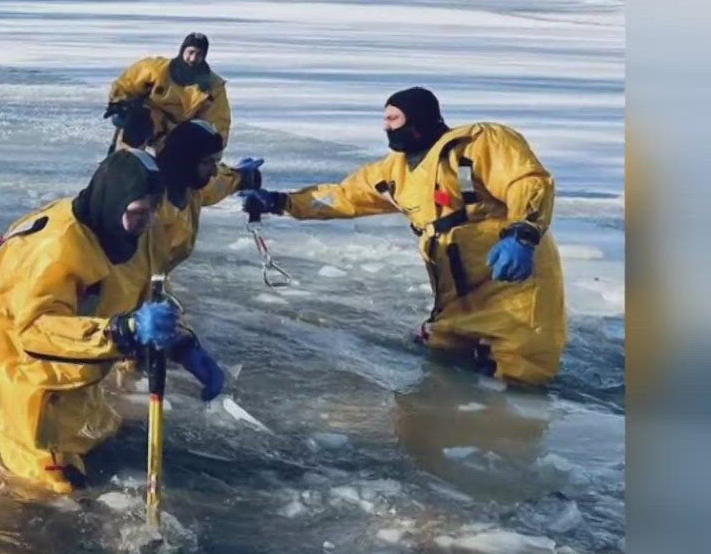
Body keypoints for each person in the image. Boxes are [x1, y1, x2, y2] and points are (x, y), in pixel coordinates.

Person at [241, 87, 566, 385]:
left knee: (519, 367)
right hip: (456, 289)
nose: (386, 127)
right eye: (385, 119)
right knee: (444, 357)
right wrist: (281, 202)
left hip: (511, 277)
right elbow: (343, 196)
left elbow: (527, 181)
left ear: (419, 119)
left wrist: (523, 232)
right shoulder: (393, 171)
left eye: (393, 119)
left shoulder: (476, 145)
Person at [0, 149, 230, 494]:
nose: (151, 220)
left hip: (82, 384)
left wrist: (180, 342)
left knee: (107, 442)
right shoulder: (55, 248)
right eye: (140, 212)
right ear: (113, 201)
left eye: (156, 209)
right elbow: (35, 331)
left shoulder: (138, 232)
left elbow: (143, 293)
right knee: (53, 496)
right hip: (33, 391)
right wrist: (123, 331)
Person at [145, 120, 263, 273]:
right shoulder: (146, 205)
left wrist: (243, 178)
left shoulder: (191, 185)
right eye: (207, 162)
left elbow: (217, 184)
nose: (213, 171)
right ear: (185, 161)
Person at [105, 32, 231, 150]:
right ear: (182, 51)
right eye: (190, 52)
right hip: (150, 119)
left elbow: (218, 119)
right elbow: (128, 83)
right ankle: (128, 158)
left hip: (179, 131)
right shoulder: (156, 69)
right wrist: (118, 102)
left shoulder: (212, 86)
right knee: (136, 118)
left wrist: (216, 142)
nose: (193, 58)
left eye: (199, 54)